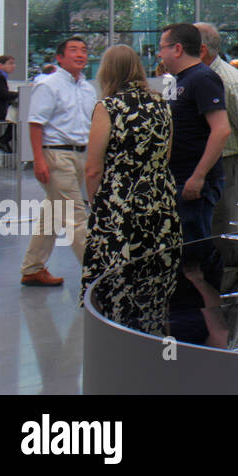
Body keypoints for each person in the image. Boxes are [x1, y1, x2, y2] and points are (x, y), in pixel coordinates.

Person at [80, 44, 180, 335]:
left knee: (118, 279)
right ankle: (152, 338)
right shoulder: (161, 103)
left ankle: (120, 341)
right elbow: (167, 154)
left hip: (120, 203)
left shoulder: (107, 107)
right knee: (155, 276)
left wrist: (95, 203)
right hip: (160, 199)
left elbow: (93, 168)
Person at [158, 23, 231, 290]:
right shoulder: (179, 81)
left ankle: (210, 311)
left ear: (177, 49)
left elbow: (221, 130)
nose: (159, 54)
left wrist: (198, 176)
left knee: (196, 250)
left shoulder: (202, 78)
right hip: (179, 177)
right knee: (185, 249)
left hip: (194, 182)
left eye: (162, 48)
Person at [20, 37, 96, 288]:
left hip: (79, 155)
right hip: (55, 155)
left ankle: (32, 269)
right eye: (73, 50)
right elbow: (36, 123)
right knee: (75, 215)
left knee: (53, 214)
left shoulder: (87, 88)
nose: (80, 54)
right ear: (60, 58)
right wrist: (38, 160)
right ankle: (98, 275)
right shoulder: (49, 85)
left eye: (84, 50)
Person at [194, 22, 238, 280]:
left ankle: (227, 286)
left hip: (225, 163)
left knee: (224, 227)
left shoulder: (229, 81)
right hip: (205, 165)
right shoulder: (193, 78)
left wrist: (237, 164)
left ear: (201, 50)